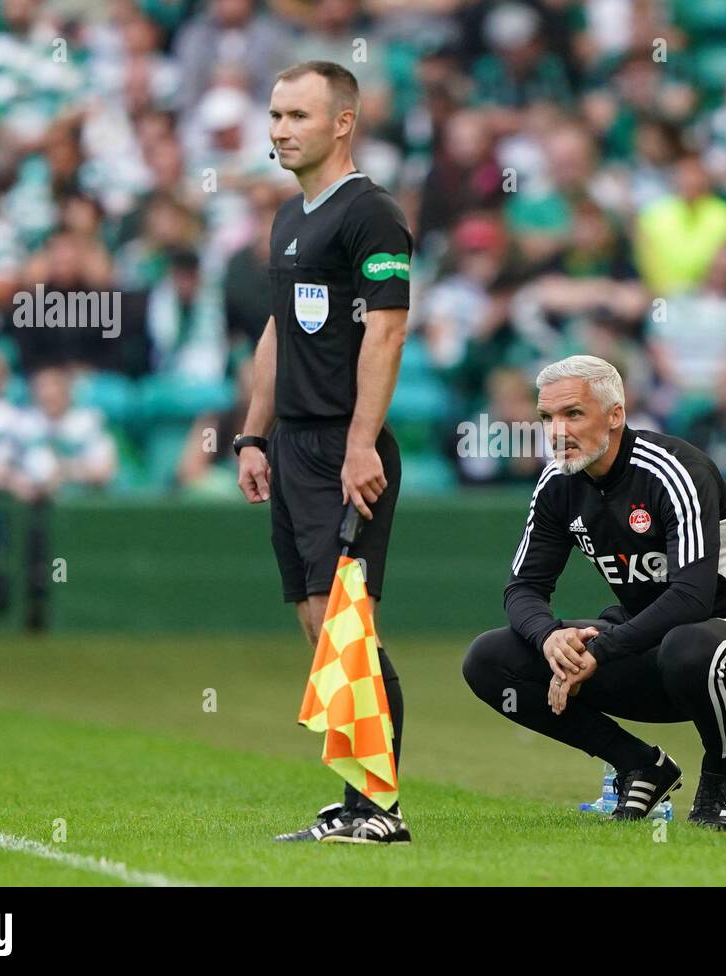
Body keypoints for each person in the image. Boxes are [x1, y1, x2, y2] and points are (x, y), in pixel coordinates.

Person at [462, 355, 726, 832]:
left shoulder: (676, 470)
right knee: (489, 659)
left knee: (688, 644)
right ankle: (640, 765)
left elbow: (692, 598)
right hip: (644, 649)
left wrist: (602, 650)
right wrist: (550, 638)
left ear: (615, 415)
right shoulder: (557, 483)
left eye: (573, 414)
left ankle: (722, 771)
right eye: (547, 417)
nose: (557, 432)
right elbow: (524, 588)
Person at [235, 62, 412, 844]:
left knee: (350, 630)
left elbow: (388, 328)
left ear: (343, 122)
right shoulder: (288, 218)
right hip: (294, 447)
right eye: (275, 115)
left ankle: (381, 811)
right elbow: (279, 331)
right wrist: (250, 433)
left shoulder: (371, 215)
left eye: (297, 115)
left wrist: (361, 444)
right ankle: (356, 798)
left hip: (346, 445)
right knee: (320, 628)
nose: (280, 129)